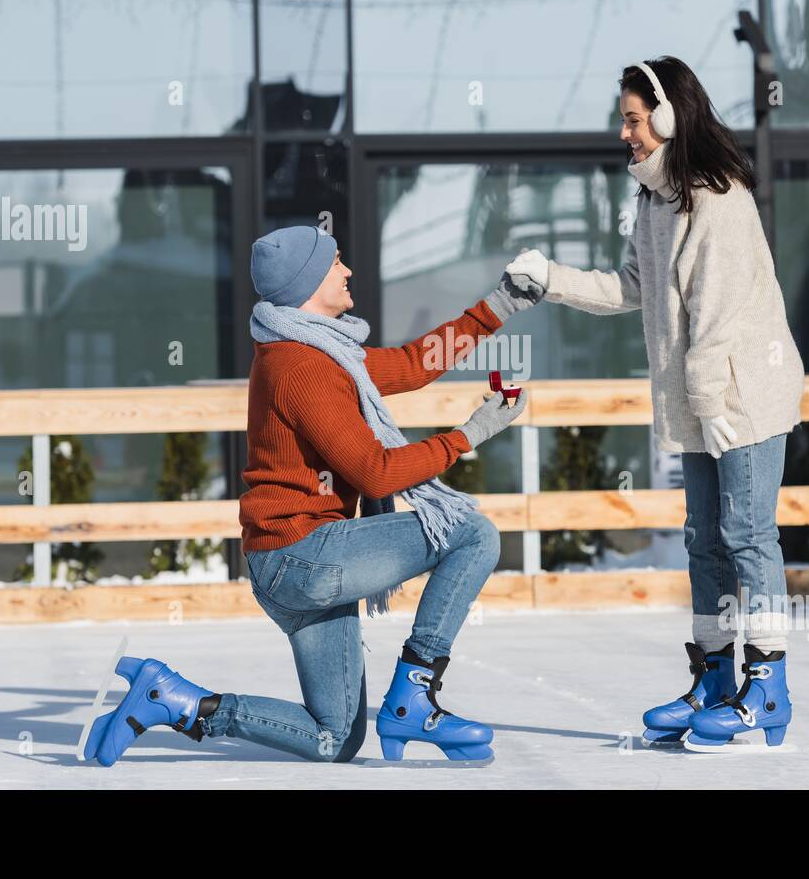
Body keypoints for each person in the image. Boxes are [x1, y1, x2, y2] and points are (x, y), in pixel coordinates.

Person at [83, 225, 543, 766]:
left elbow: (416, 364)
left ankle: (180, 703)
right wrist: (467, 436)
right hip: (303, 557)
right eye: (336, 264)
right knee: (472, 533)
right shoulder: (303, 367)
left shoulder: (321, 352)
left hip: (289, 561)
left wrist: (500, 304)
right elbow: (375, 473)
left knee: (334, 737)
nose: (347, 271)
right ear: (307, 282)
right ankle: (416, 693)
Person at [505, 56, 805, 750]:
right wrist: (549, 278)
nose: (625, 132)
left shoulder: (718, 197)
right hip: (706, 400)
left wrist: (711, 400)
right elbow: (630, 287)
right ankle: (714, 677)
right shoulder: (654, 200)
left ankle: (768, 687)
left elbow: (721, 314)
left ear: (668, 117)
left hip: (744, 394)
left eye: (634, 119)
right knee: (704, 539)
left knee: (748, 535)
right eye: (625, 119)